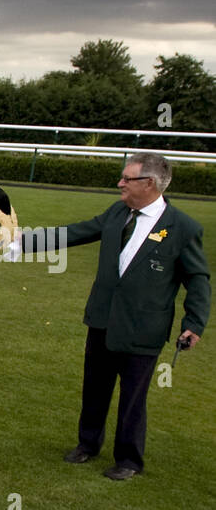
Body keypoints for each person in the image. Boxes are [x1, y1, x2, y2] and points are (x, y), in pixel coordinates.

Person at [46, 153, 209, 480]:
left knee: (133, 398)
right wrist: (17, 242)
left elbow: (198, 279)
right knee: (94, 389)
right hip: (103, 321)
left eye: (127, 178)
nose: (119, 183)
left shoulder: (183, 228)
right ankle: (87, 445)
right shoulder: (118, 212)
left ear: (149, 183)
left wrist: (193, 323)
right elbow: (75, 233)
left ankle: (129, 460)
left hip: (144, 330)